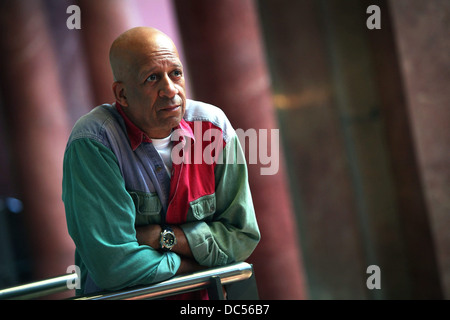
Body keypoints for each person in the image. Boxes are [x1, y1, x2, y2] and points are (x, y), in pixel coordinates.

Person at [62, 27, 260, 298]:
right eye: (152, 78)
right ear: (121, 95)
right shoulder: (94, 143)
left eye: (175, 73)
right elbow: (114, 266)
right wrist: (193, 267)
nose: (170, 90)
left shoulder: (213, 129)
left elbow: (242, 235)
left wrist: (161, 237)